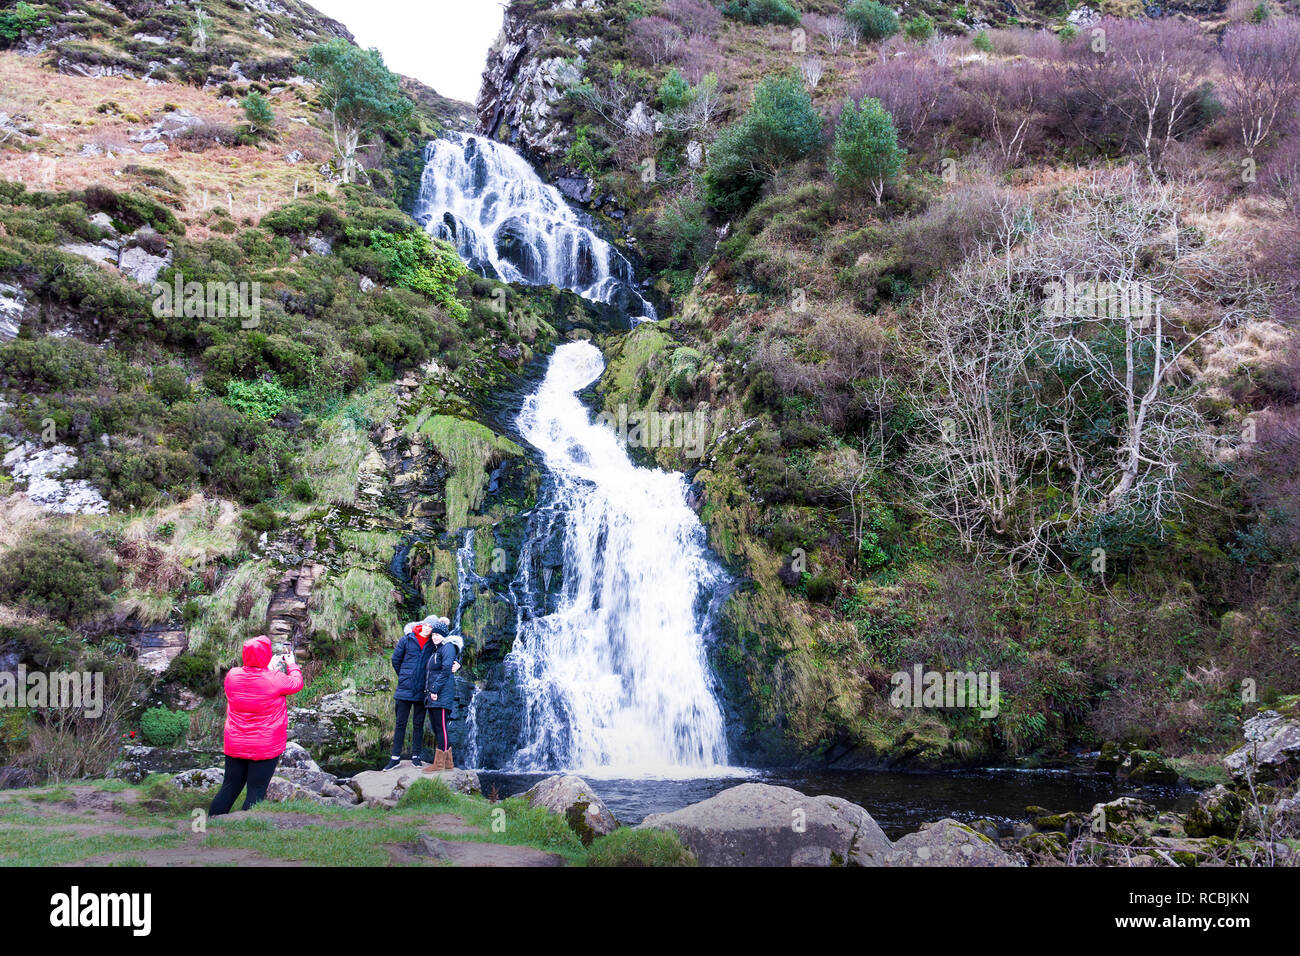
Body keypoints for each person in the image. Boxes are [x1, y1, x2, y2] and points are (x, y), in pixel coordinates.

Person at [209, 635, 303, 816]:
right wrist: (290, 664)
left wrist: (266, 669)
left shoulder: (232, 676)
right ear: (267, 655)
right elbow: (296, 683)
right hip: (264, 747)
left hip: (236, 743)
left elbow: (253, 679)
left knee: (229, 787)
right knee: (256, 790)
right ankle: (247, 830)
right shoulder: (275, 678)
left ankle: (213, 826)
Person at [385, 617, 450, 770]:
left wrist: (457, 662)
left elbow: (449, 650)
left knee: (418, 724)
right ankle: (395, 758)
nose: (427, 629)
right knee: (400, 723)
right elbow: (396, 659)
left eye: (431, 627)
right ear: (421, 624)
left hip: (423, 691)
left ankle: (416, 757)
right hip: (404, 690)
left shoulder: (433, 644)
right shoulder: (407, 639)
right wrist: (404, 675)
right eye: (426, 625)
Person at [422, 625, 464, 772]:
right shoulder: (438, 649)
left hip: (440, 693)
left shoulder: (447, 647)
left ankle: (440, 764)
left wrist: (434, 689)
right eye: (433, 635)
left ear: (444, 635)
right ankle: (447, 763)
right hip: (434, 694)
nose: (434, 637)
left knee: (441, 728)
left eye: (438, 634)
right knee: (437, 727)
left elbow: (446, 669)